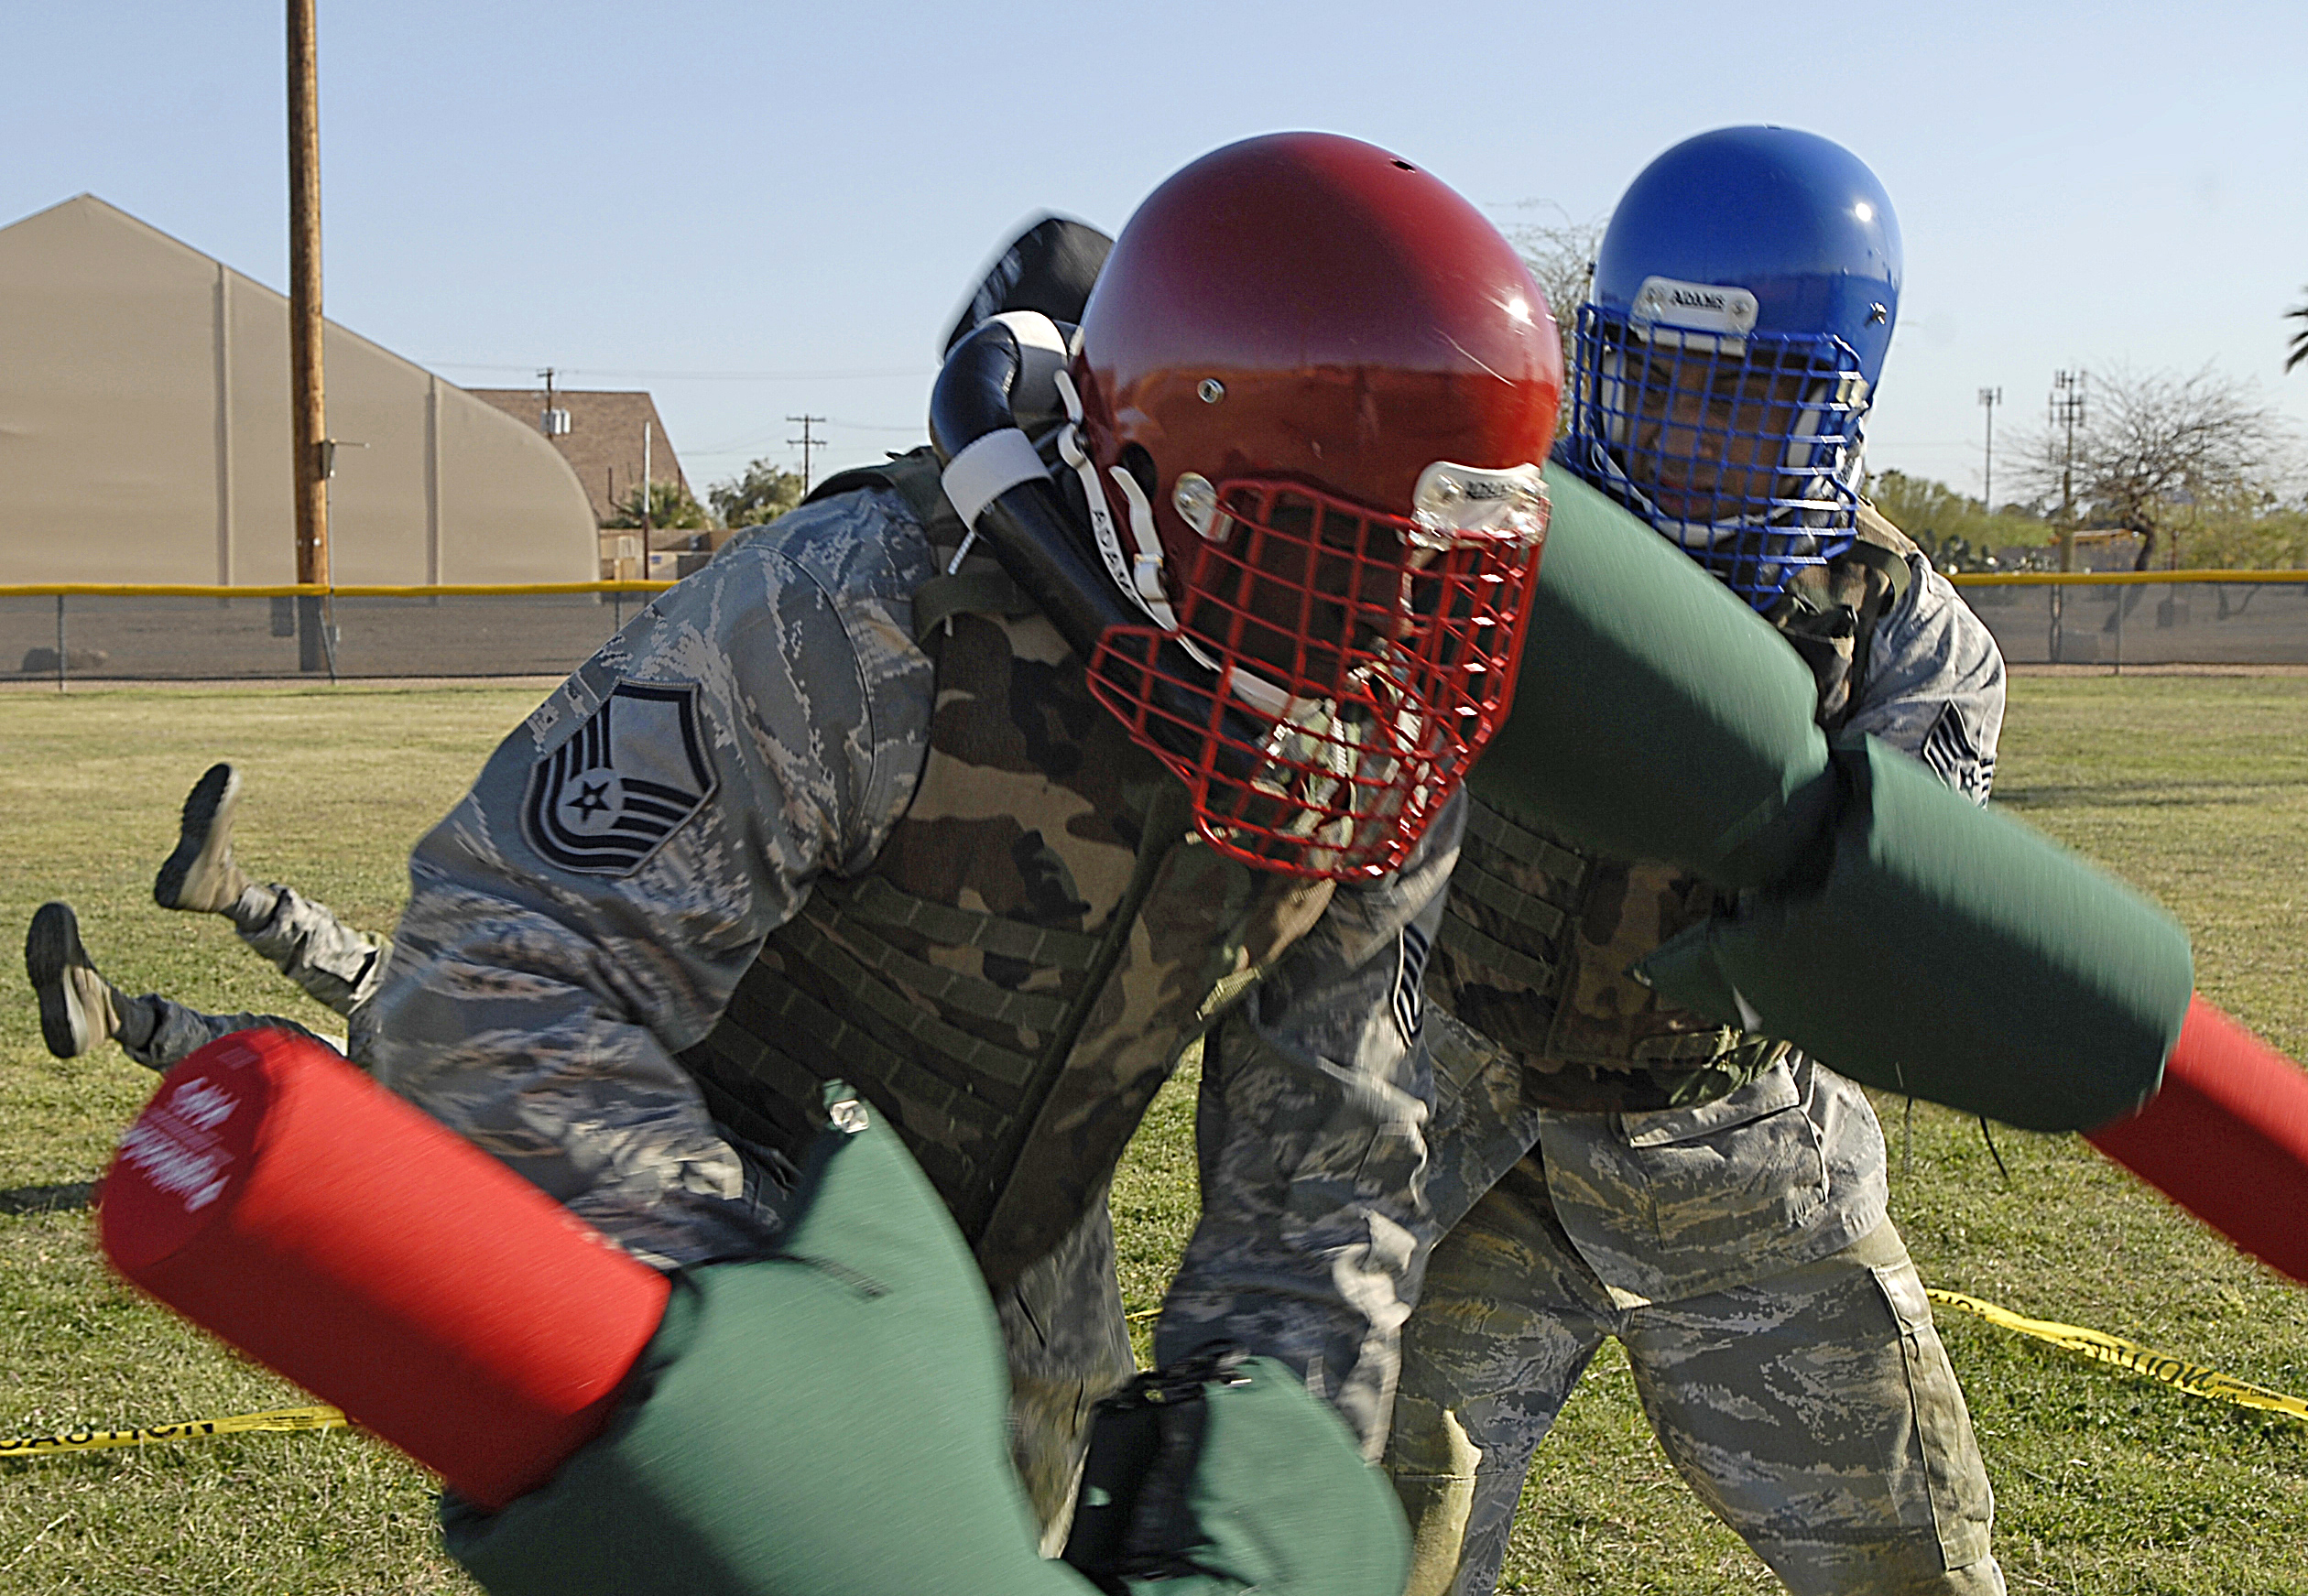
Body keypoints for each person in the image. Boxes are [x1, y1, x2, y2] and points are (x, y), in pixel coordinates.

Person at [345, 130, 1560, 1536]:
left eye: (1441, 567)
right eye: (1348, 557)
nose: (1398, 630)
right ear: (1185, 477)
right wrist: (775, 1328)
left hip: (1026, 1324)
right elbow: (488, 978)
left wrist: (1269, 1468)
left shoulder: (1381, 731)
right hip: (701, 1272)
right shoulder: (860, 612)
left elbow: (1325, 1165)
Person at [1382, 126, 2010, 1596]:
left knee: (1918, 1562)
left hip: (1740, 1164)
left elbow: (1897, 952)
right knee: (1358, 1539)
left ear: (1836, 403)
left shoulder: (1912, 637)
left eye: (1746, 391)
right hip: (1463, 1143)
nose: (1687, 424)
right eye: (1659, 373)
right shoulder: (1482, 540)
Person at [26, 762, 393, 1070]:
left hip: (422, 1131)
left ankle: (235, 895)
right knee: (294, 1063)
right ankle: (121, 1017)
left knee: (400, 988)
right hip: (411, 1135)